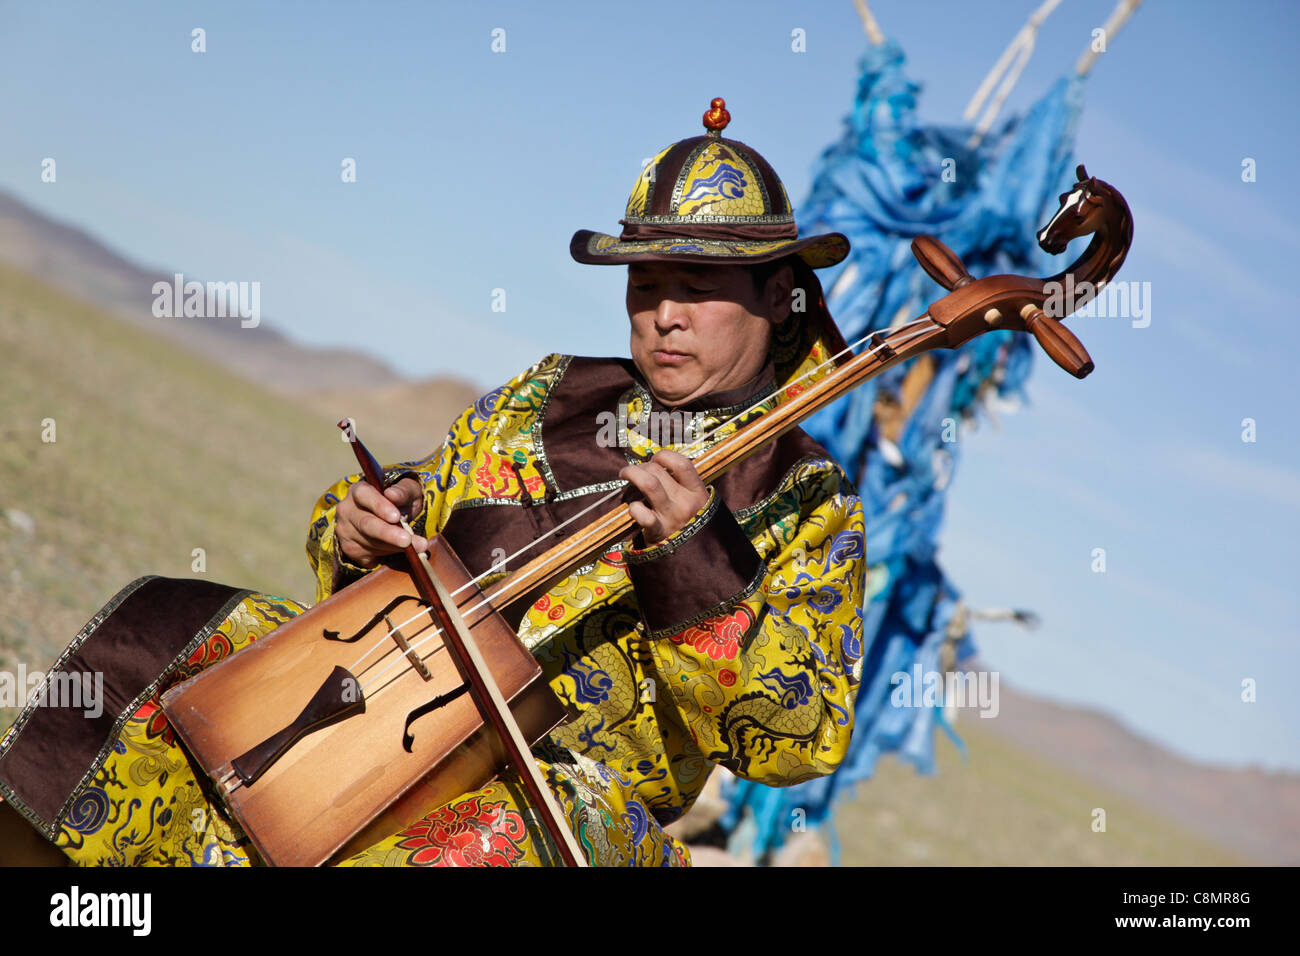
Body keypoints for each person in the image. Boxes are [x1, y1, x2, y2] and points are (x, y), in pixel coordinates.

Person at [0, 98, 866, 867]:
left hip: (566, 797)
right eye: (647, 284)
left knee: (484, 839)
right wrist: (360, 527)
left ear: (779, 292)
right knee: (175, 632)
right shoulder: (550, 391)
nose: (663, 314)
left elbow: (798, 741)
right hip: (406, 689)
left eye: (697, 288)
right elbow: (412, 506)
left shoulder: (810, 497)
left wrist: (691, 560)